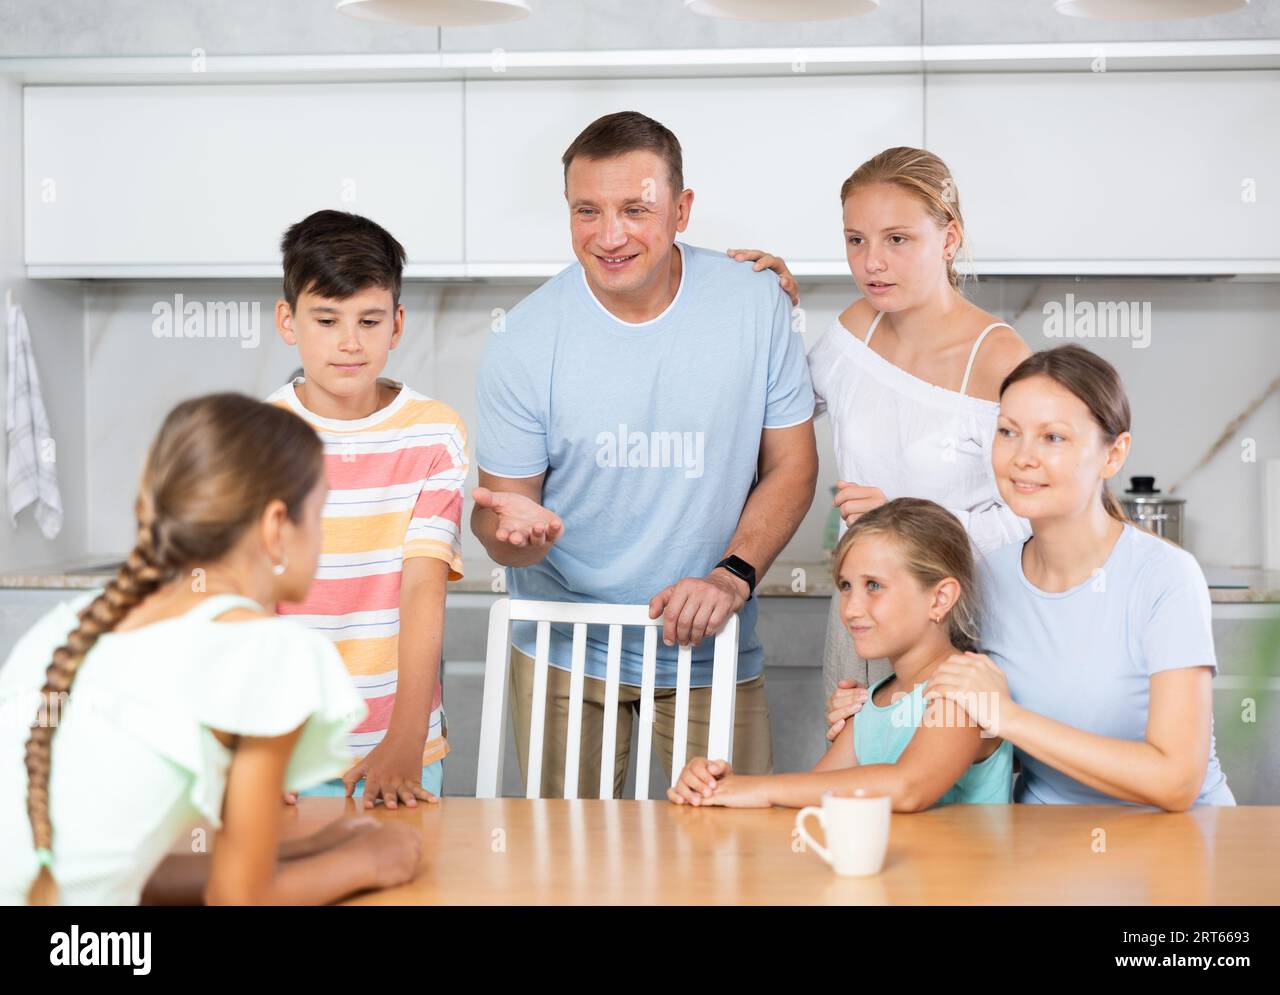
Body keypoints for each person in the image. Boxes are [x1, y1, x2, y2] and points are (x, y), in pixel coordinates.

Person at [472, 110, 817, 797]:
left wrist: (731, 576)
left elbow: (793, 465)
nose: (610, 236)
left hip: (711, 641)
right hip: (564, 650)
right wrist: (514, 537)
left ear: (681, 209)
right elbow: (498, 523)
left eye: (635, 209)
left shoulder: (755, 303)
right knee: (567, 852)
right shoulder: (522, 339)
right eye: (587, 211)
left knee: (738, 847)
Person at [0, 394, 421, 905]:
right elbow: (239, 901)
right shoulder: (267, 651)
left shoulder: (70, 626)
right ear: (275, 527)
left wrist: (305, 850)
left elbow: (132, 875)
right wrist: (373, 861)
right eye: (319, 512)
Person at [840, 346, 1235, 809]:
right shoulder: (987, 577)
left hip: (1177, 838)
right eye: (1008, 432)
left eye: (1053, 437)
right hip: (1040, 837)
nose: (1023, 457)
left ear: (1113, 454)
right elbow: (968, 727)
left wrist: (1007, 717)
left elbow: (1176, 782)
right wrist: (871, 718)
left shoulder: (1165, 577)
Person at [730, 147, 1032, 710]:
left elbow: (1035, 517)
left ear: (948, 238)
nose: (871, 262)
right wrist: (764, 309)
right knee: (851, 761)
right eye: (856, 240)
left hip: (961, 626)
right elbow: (768, 408)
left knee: (943, 765)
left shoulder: (999, 359)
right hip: (860, 619)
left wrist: (905, 524)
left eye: (897, 239)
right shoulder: (856, 331)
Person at [269, 210, 468, 808]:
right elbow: (249, 599)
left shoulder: (435, 434)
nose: (350, 342)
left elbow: (423, 588)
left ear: (397, 324)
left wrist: (404, 741)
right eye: (327, 319)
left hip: (401, 749)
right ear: (288, 321)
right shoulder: (258, 437)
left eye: (369, 320)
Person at [669, 498, 1011, 810]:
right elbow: (809, 798)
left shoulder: (965, 690)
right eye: (846, 586)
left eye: (874, 585)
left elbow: (908, 787)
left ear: (939, 599)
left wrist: (758, 788)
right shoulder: (869, 705)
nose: (851, 608)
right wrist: (716, 787)